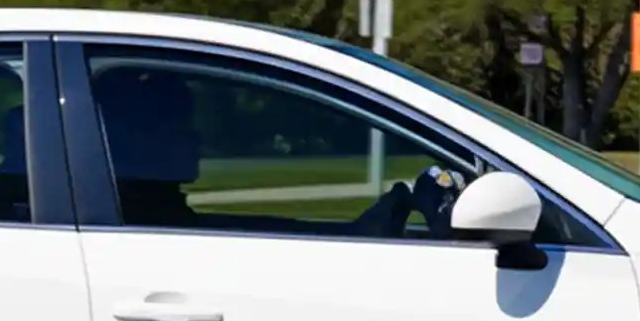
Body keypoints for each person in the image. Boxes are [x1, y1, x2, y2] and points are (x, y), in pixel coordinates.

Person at [93, 65, 466, 238]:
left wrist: (362, 230)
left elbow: (246, 236)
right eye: (179, 125)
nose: (196, 139)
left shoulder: (150, 216)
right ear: (134, 137)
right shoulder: (141, 226)